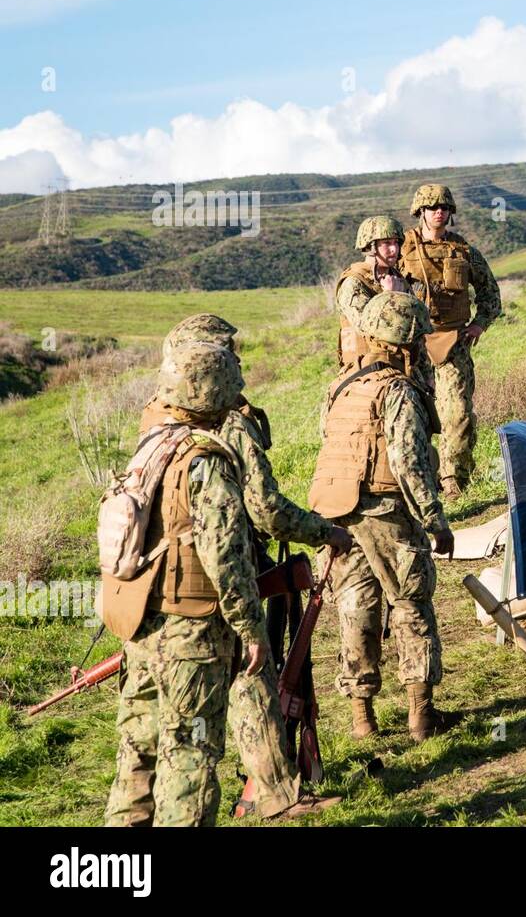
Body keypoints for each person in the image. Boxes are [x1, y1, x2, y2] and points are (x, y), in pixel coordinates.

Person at [136, 314, 349, 820]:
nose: (237, 364)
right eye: (225, 354)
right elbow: (265, 509)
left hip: (156, 592)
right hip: (220, 583)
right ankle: (277, 795)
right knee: (253, 677)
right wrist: (325, 532)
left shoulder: (157, 419)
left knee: (149, 732)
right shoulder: (227, 423)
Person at [105, 343, 269, 826]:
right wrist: (251, 628)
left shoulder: (152, 444)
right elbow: (227, 556)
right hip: (193, 636)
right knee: (190, 760)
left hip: (142, 627)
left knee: (137, 758)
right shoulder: (207, 459)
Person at [308, 291, 459, 741]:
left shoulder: (341, 385)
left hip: (334, 516)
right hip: (385, 513)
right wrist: (435, 520)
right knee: (411, 606)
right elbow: (409, 463)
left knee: (356, 613)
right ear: (406, 340)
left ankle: (363, 721)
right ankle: (421, 717)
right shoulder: (398, 390)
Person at [399, 183, 502, 500]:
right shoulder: (401, 250)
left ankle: (453, 478)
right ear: (420, 212)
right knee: (411, 415)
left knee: (457, 412)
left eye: (444, 208)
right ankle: (412, 479)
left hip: (453, 341)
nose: (439, 212)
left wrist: (478, 325)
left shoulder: (463, 250)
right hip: (410, 344)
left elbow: (490, 295)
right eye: (432, 208)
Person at [336, 215, 418, 368]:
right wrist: (390, 296)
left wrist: (426, 375)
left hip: (401, 363)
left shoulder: (398, 279)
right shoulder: (353, 283)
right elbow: (367, 328)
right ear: (370, 247)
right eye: (387, 243)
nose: (394, 249)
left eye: (396, 243)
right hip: (367, 368)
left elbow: (417, 330)